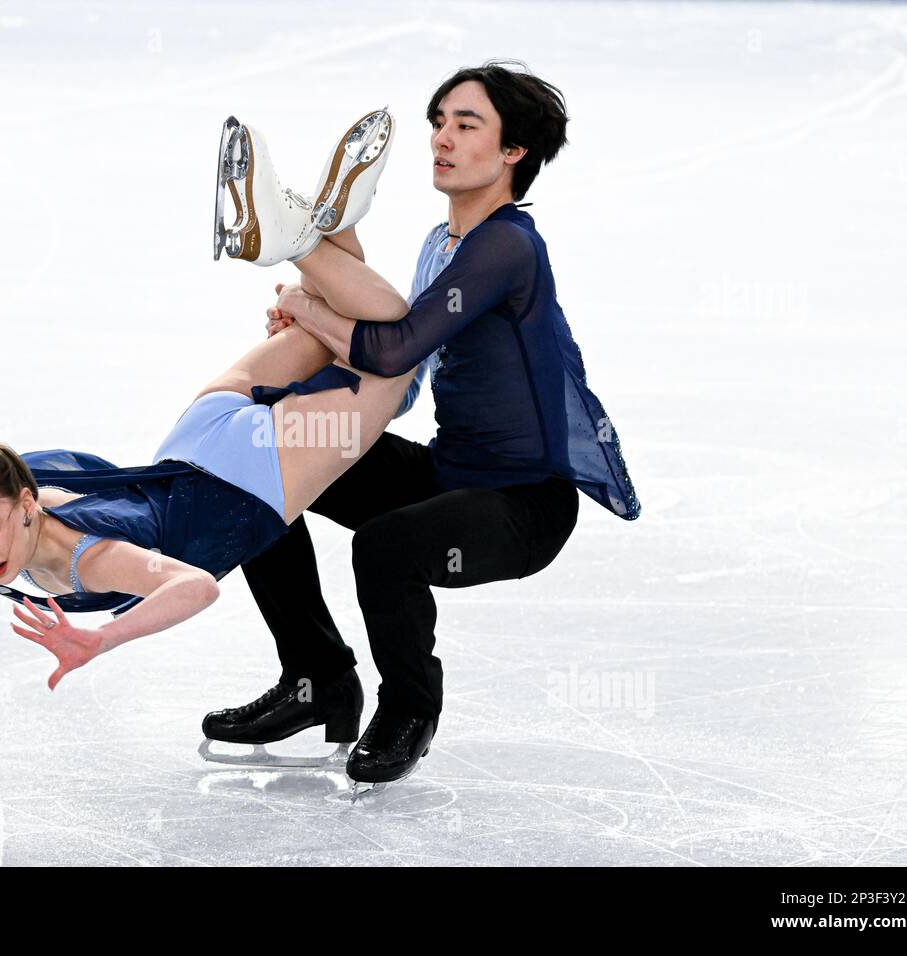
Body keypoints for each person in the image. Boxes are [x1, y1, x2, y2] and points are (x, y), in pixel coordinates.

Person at [0, 109, 408, 708]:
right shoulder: (14, 482)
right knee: (328, 309)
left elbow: (194, 586)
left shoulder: (84, 558)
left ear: (23, 507)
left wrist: (102, 638)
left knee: (393, 342)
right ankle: (333, 222)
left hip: (254, 474)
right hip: (196, 438)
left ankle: (295, 239)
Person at [200, 61, 641, 793]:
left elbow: (396, 346)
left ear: (513, 153)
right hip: (448, 477)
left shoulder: (507, 246)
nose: (442, 137)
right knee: (262, 463)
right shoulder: (444, 245)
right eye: (438, 121)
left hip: (524, 504)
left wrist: (310, 308)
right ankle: (318, 682)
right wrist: (312, 350)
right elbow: (399, 383)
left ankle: (408, 711)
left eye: (467, 125)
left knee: (387, 546)